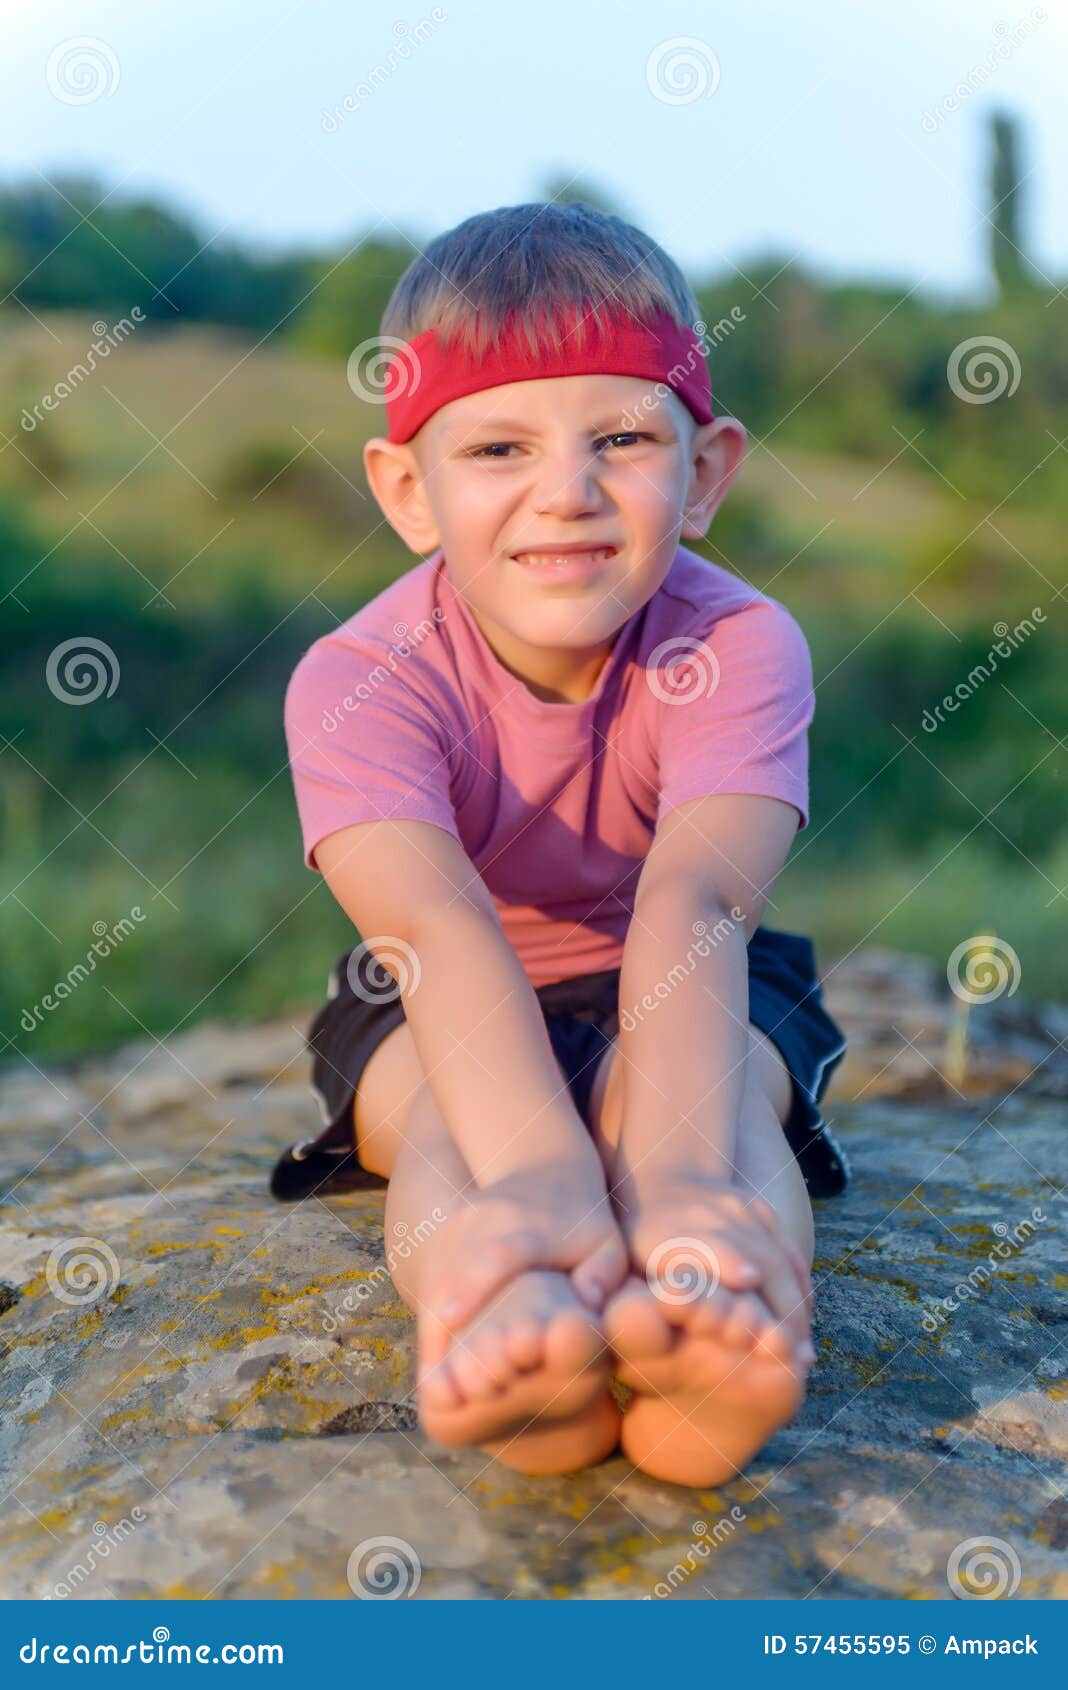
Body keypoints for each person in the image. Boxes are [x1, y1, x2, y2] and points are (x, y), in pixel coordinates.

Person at [272, 201, 849, 1485]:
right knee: (434, 1119)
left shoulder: (739, 645)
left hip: (690, 967)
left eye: (625, 437)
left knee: (726, 1102)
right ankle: (510, 1325)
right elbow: (429, 926)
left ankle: (715, 1318)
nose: (567, 492)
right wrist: (539, 1172)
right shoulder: (357, 677)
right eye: (498, 448)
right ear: (407, 489)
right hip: (446, 981)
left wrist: (680, 1176)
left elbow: (698, 898)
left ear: (702, 473)